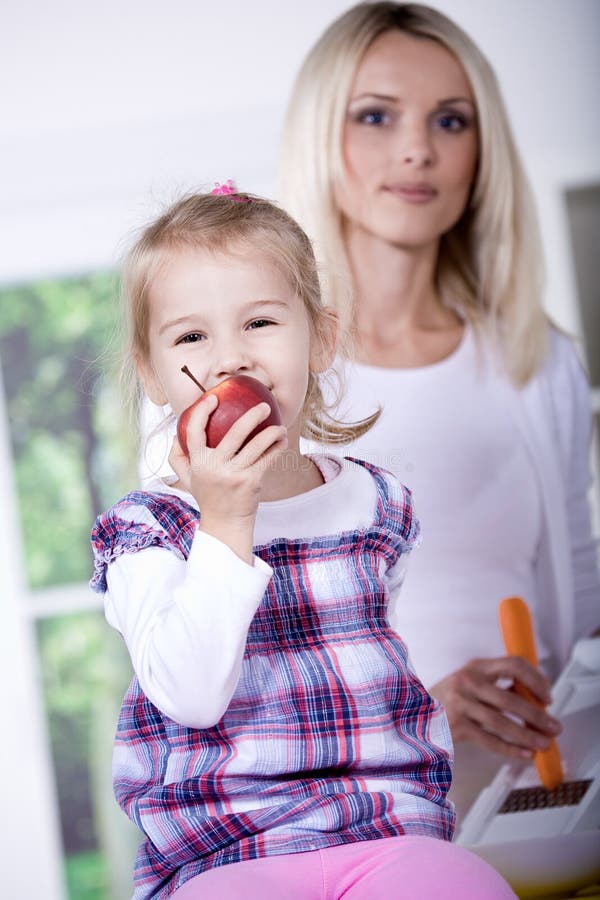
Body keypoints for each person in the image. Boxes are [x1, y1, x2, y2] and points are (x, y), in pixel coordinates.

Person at [90, 188, 517, 899]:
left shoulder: (376, 505)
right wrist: (226, 518)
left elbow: (363, 669)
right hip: (225, 854)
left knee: (469, 884)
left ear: (319, 338)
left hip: (386, 833)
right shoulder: (146, 532)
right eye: (191, 337)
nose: (230, 358)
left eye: (259, 321)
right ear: (150, 371)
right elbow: (191, 696)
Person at [278, 1, 600, 824]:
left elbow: (579, 592)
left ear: (480, 151)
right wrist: (421, 715)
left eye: (450, 120)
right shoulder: (258, 374)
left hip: (541, 819)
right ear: (322, 136)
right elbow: (215, 669)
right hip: (347, 841)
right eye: (375, 116)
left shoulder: (538, 362)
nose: (417, 148)